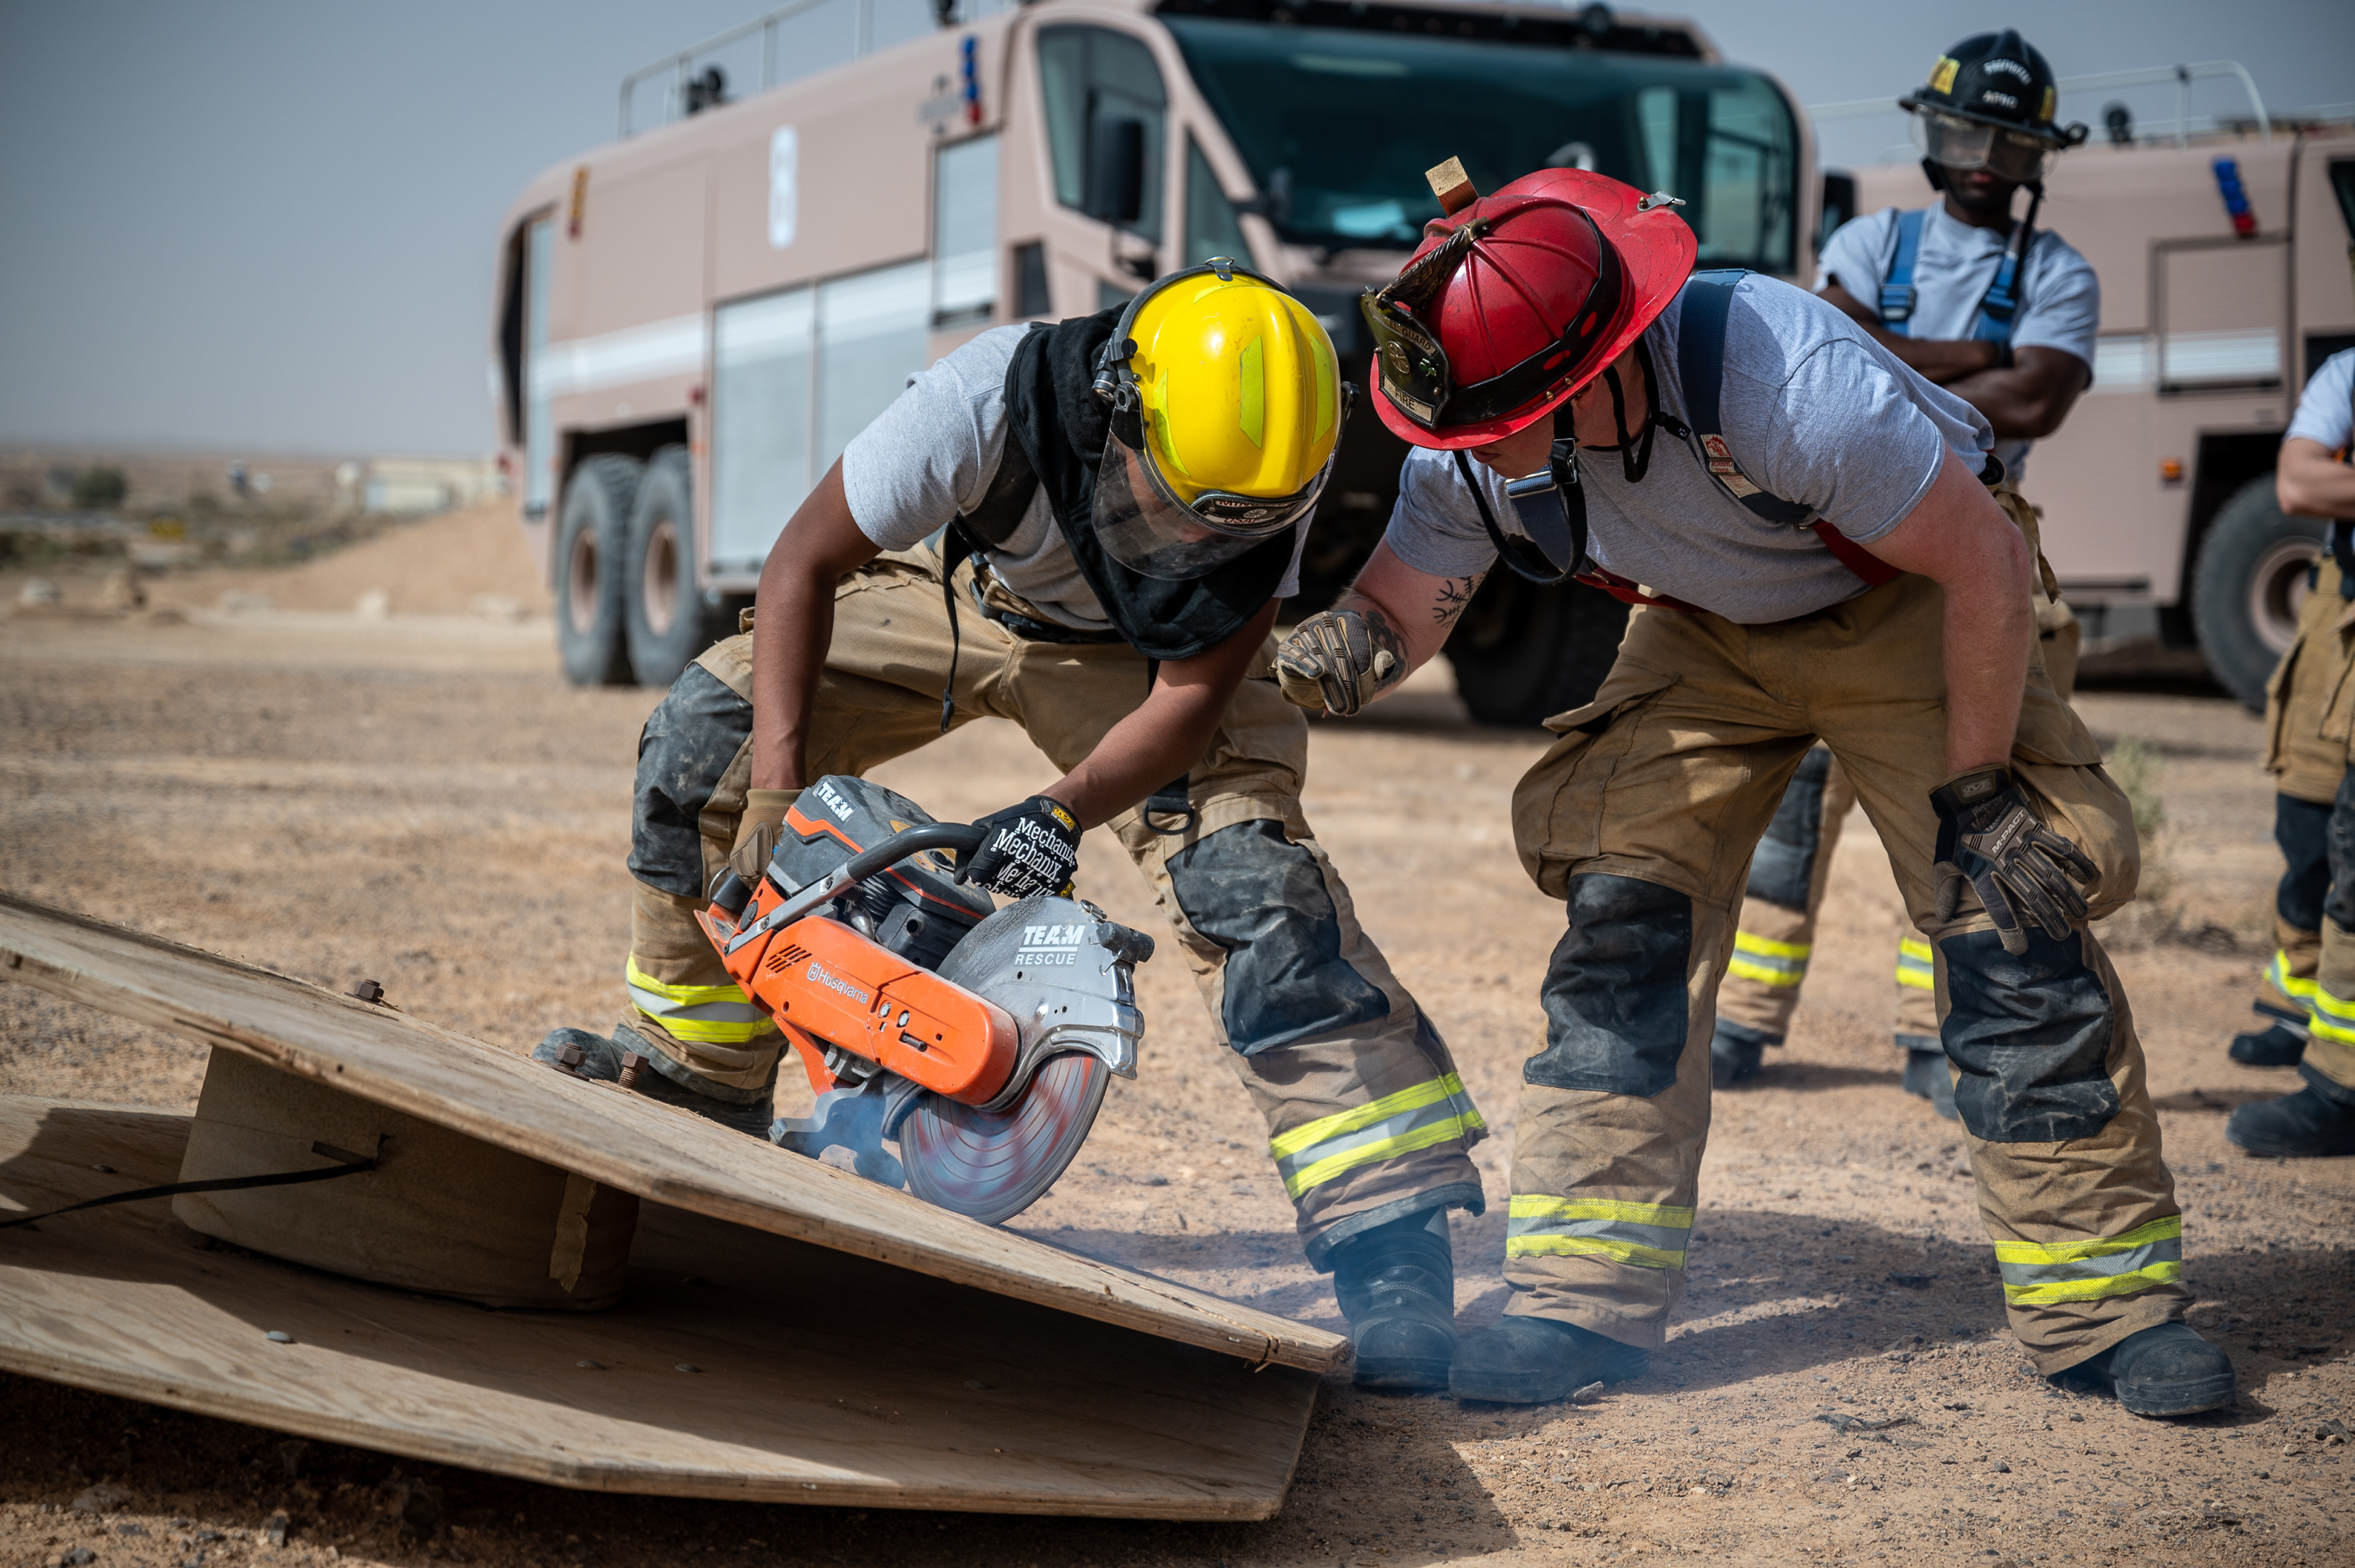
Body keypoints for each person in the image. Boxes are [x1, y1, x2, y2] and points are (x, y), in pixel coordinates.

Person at [1277, 163, 2233, 1417]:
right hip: (1704, 634)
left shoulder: (1783, 383)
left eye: (1487, 431)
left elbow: (1985, 564)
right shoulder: (1467, 443)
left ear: (1587, 376)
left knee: (2008, 925)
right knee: (1623, 925)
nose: (1463, 459)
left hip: (1909, 606)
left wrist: (1980, 788)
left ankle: (2106, 1307)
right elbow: (1398, 606)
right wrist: (1327, 653)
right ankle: (1578, 1297)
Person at [535, 261, 1488, 1387]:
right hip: (963, 600)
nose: (1190, 543)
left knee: (1253, 889)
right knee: (708, 740)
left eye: (1217, 529)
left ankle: (1390, 1245)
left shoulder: (1275, 456)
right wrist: (782, 792)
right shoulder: (982, 400)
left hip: (1143, 670)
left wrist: (1059, 808)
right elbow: (802, 564)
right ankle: (704, 1067)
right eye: (1171, 507)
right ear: (1116, 407)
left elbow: (1188, 698)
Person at [1711, 30, 2097, 1110]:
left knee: (1958, 800)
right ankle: (1742, 1021)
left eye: (2003, 141)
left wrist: (1889, 346)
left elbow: (2033, 404)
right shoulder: (1872, 236)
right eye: (1961, 130)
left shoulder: (2059, 271)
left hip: (1973, 549)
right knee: (1794, 803)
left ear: (2034, 156)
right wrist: (1977, 353)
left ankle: (1935, 1036)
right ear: (1930, 136)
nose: (1979, 157)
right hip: (1839, 547)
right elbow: (1821, 353)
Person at [2227, 347, 2355, 1158]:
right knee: (2307, 824)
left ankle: (2340, 1075)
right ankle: (2302, 1005)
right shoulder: (2347, 372)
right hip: (2340, 598)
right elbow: (2300, 483)